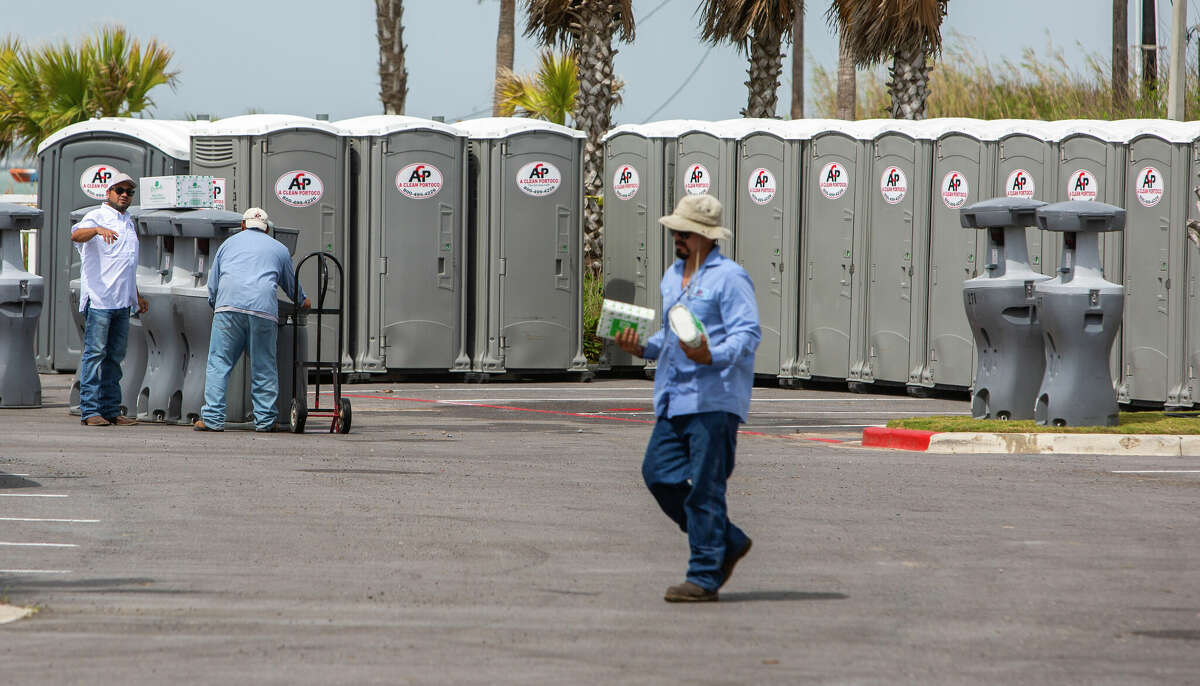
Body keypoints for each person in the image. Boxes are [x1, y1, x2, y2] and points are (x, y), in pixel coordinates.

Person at [616, 193, 760, 603]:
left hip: (714, 401)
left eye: (686, 232)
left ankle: (703, 576)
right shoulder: (671, 276)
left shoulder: (730, 278)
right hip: (673, 398)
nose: (677, 237)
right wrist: (642, 347)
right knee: (658, 473)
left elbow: (747, 334)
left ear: (707, 237)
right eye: (676, 230)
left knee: (706, 489)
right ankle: (726, 540)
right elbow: (672, 334)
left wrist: (711, 354)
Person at [193, 208, 307, 433]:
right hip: (263, 311)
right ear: (267, 229)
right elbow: (291, 287)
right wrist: (303, 301)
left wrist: (216, 304)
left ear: (243, 226)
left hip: (228, 308)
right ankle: (265, 422)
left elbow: (213, 283)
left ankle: (213, 419)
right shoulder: (280, 249)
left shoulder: (227, 244)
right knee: (264, 366)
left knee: (219, 363)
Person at [71, 172, 148, 427]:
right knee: (94, 355)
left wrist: (136, 295)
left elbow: (126, 264)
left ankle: (111, 409)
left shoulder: (128, 221)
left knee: (115, 358)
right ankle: (90, 411)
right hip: (101, 300)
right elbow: (76, 235)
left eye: (129, 192)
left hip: (122, 301)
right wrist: (95, 230)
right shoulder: (97, 215)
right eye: (119, 190)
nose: (124, 195)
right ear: (109, 193)